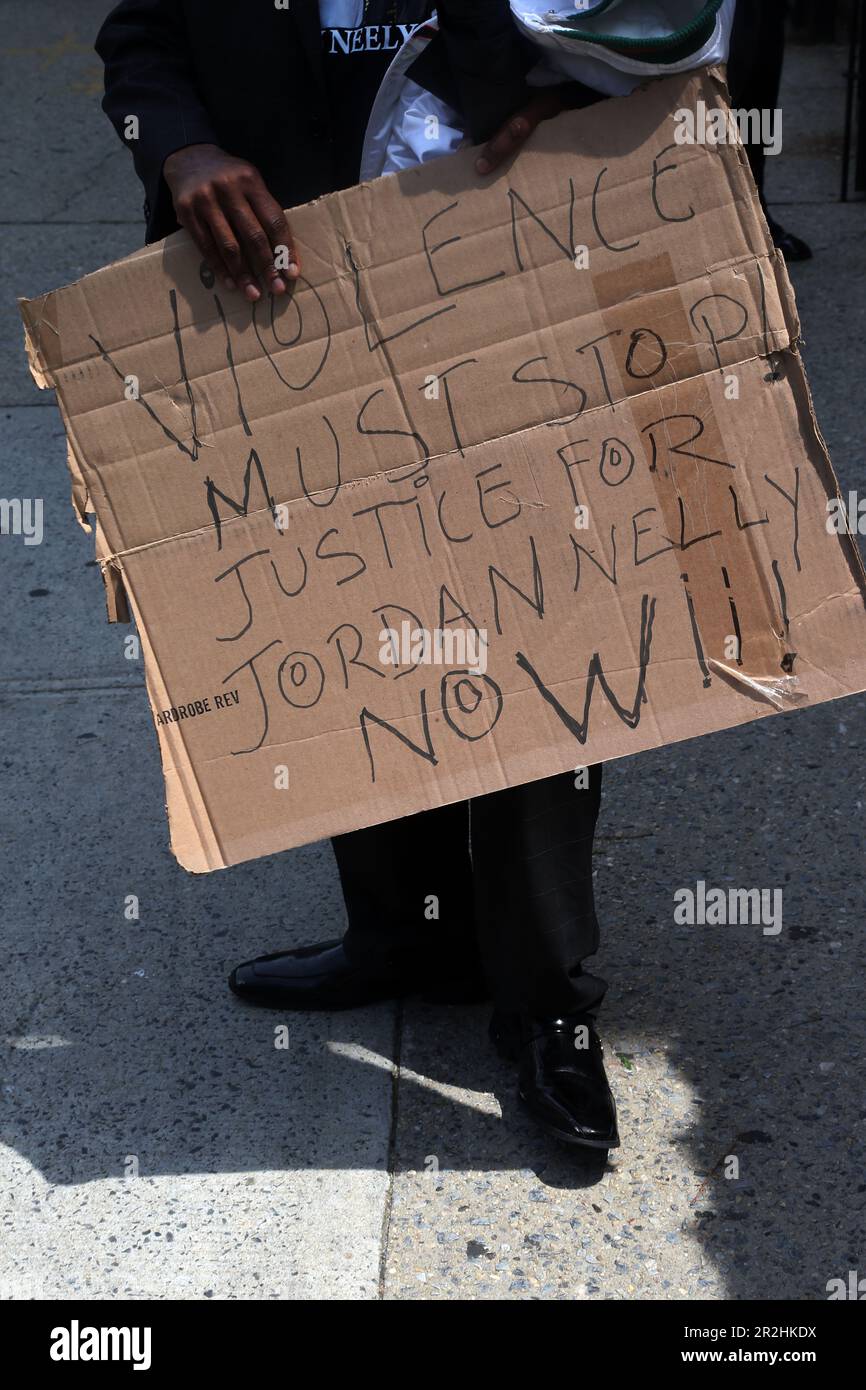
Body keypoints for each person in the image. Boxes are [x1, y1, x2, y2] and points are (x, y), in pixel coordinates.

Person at [96, 0, 648, 1153]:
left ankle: (546, 1004)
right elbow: (142, 39)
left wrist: (581, 104)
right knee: (345, 630)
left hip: (502, 300)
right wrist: (180, 144)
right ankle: (403, 933)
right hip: (285, 323)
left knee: (530, 649)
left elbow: (641, 39)